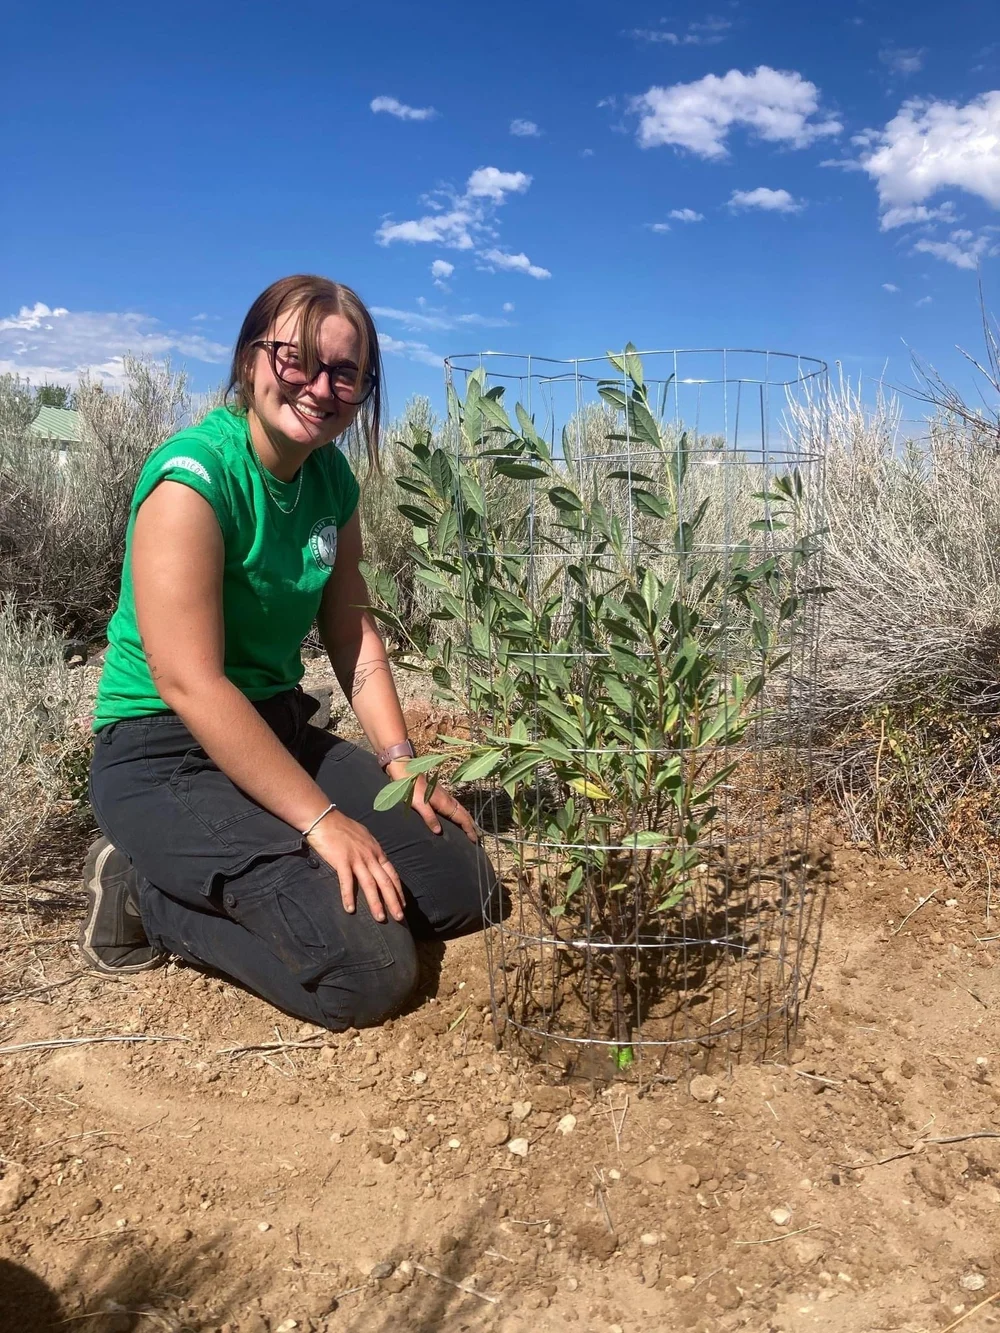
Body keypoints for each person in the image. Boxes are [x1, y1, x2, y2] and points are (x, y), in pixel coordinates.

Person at [80, 274, 505, 1030]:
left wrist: (401, 763)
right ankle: (140, 893)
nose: (319, 387)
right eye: (297, 359)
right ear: (250, 361)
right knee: (369, 969)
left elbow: (351, 632)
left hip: (270, 728)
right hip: (162, 753)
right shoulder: (195, 481)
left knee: (463, 888)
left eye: (346, 372)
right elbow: (190, 682)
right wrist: (320, 822)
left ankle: (270, 866)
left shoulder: (330, 480)